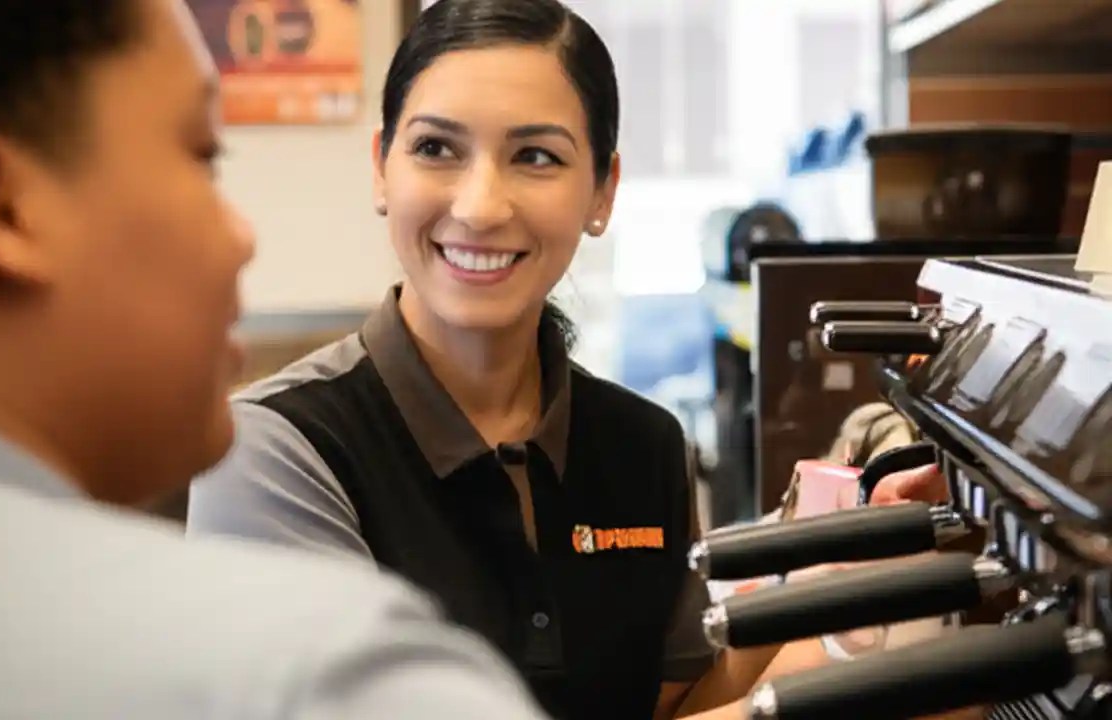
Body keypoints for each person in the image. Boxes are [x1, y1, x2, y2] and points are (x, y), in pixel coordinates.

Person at [0, 2, 569, 718]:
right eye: (203, 155)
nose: (241, 237)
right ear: (1, 202)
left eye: (537, 156)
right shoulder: (314, 675)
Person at [187, 1, 831, 718]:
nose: (481, 205)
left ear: (603, 191)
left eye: (536, 156)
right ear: (381, 167)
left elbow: (671, 706)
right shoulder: (277, 450)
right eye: (436, 148)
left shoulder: (646, 447)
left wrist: (822, 583)